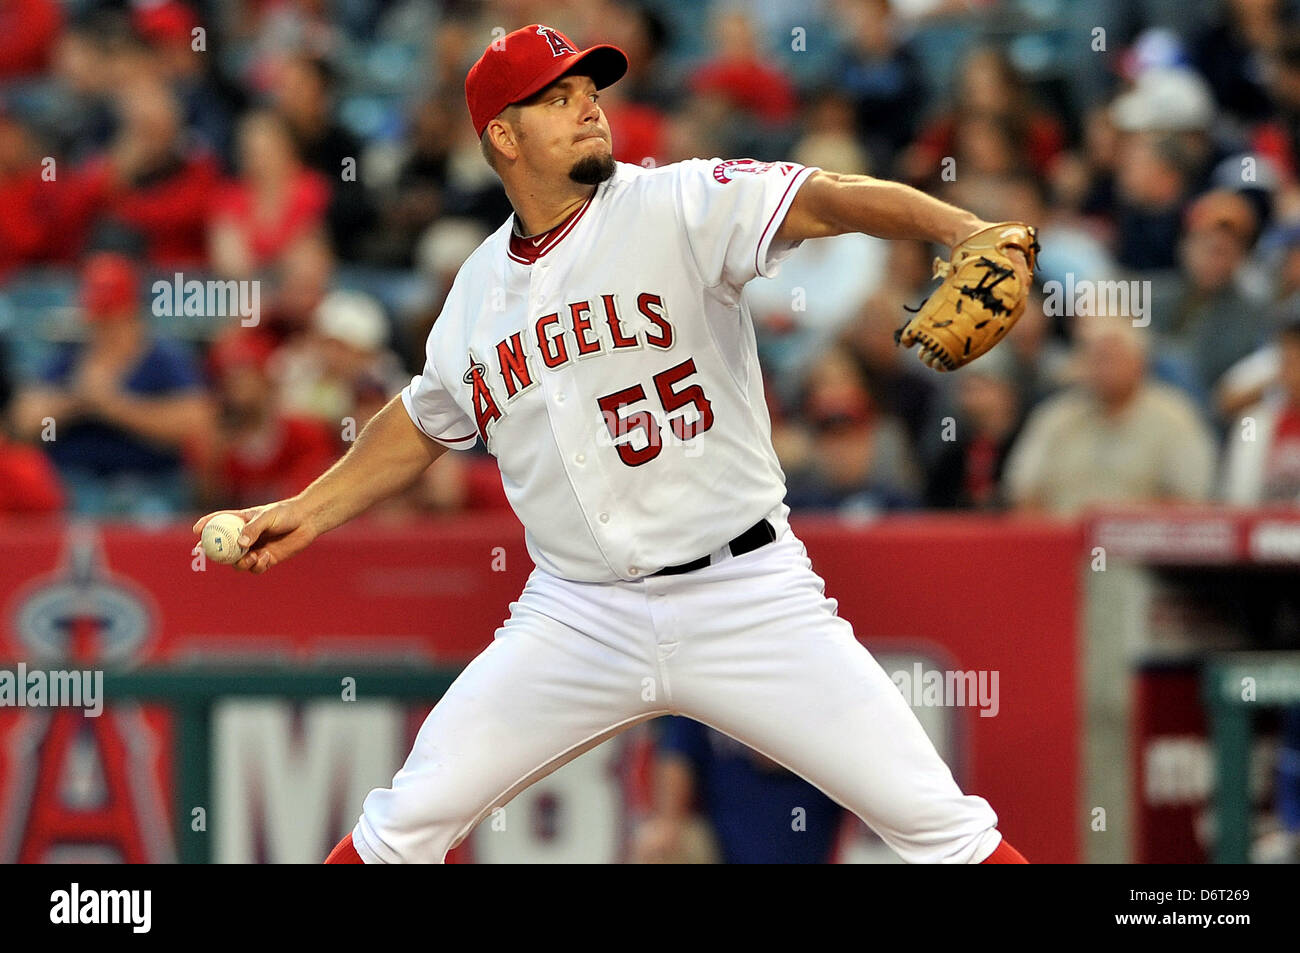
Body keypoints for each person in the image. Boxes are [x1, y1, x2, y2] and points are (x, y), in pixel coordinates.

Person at [195, 24, 1031, 865]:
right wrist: (305, 510)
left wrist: (959, 226)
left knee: (944, 829)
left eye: (589, 91)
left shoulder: (677, 202)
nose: (588, 107)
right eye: (556, 98)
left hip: (746, 593)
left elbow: (825, 194)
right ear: (503, 136)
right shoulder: (477, 292)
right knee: (403, 822)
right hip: (578, 613)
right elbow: (421, 419)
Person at [11, 252, 213, 516]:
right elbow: (24, 421)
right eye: (98, 317)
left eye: (112, 316)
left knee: (150, 513)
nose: (102, 326)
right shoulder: (71, 358)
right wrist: (77, 400)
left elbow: (197, 421)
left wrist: (115, 407)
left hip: (151, 486)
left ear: (131, 313)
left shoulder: (164, 358)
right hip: (76, 487)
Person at [1004, 313, 1216, 516]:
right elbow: (1023, 495)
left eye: (1111, 357)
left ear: (1139, 362)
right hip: (1064, 545)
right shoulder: (1054, 417)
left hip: (1143, 549)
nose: (1101, 367)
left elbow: (1190, 503)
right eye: (1093, 358)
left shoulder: (1176, 419)